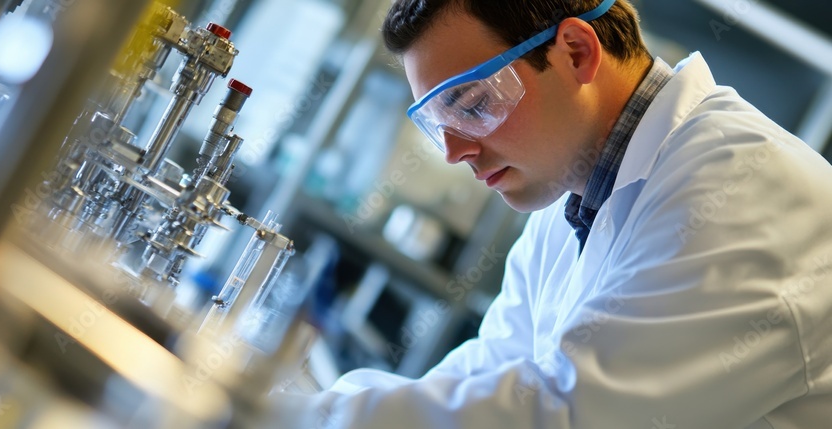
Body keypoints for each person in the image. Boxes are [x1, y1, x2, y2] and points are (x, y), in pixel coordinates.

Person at [269, 0, 832, 427]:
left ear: (577, 52)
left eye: (473, 105)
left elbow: (568, 414)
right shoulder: (574, 200)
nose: (454, 151)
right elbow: (490, 370)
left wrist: (313, 418)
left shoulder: (744, 188)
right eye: (439, 121)